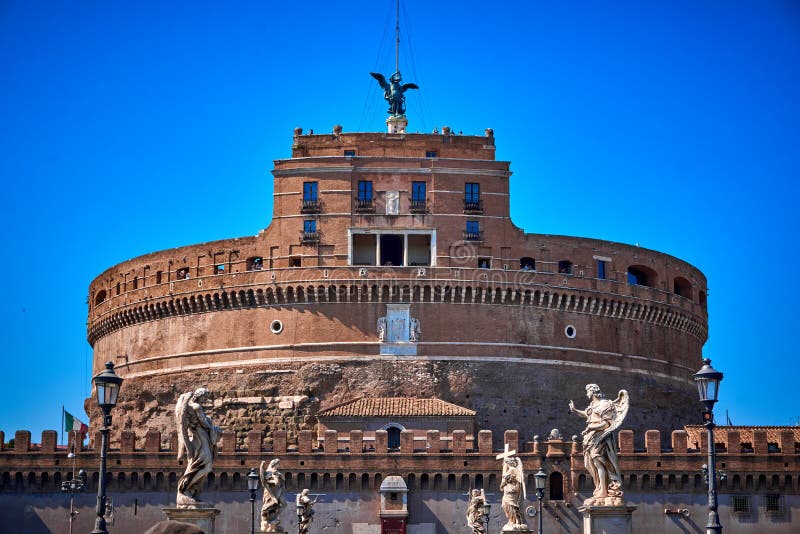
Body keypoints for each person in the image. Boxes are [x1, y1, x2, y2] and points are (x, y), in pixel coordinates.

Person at [569, 384, 629, 504]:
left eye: (588, 391)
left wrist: (591, 428)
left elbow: (607, 424)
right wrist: (575, 411)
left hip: (601, 437)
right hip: (591, 438)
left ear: (593, 391)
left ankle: (603, 490)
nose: (587, 394)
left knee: (598, 461)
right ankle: (600, 488)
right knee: (590, 463)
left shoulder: (605, 404)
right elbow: (588, 414)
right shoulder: (593, 405)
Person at [175, 388, 221, 507]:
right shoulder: (196, 407)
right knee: (206, 464)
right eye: (205, 396)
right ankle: (185, 488)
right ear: (200, 396)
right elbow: (203, 422)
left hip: (201, 437)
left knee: (203, 465)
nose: (206, 399)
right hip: (200, 438)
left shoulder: (192, 407)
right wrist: (213, 427)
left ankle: (192, 490)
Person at [499, 456, 526, 529]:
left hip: (512, 490)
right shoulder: (510, 470)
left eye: (505, 463)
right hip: (507, 490)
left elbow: (518, 479)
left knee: (512, 505)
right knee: (504, 505)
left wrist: (502, 485)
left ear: (508, 463)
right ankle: (511, 519)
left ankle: (516, 520)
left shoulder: (513, 470)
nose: (505, 465)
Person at [259, 459, 285, 532]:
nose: (279, 465)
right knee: (270, 505)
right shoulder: (269, 472)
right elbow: (266, 482)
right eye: (278, 464)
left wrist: (279, 476)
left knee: (284, 505)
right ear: (274, 464)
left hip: (278, 491)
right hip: (270, 493)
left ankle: (274, 517)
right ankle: (269, 519)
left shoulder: (277, 472)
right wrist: (274, 481)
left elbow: (282, 481)